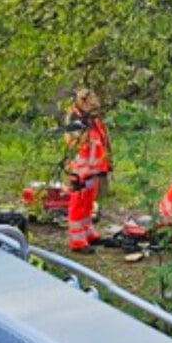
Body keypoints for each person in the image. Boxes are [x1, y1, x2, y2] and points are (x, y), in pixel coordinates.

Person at [63, 89, 110, 253]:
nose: (95, 107)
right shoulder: (74, 119)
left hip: (93, 168)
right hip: (80, 169)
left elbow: (101, 141)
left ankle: (88, 233)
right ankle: (77, 241)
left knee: (88, 202)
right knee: (78, 203)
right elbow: (75, 143)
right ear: (83, 102)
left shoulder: (92, 118)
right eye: (92, 104)